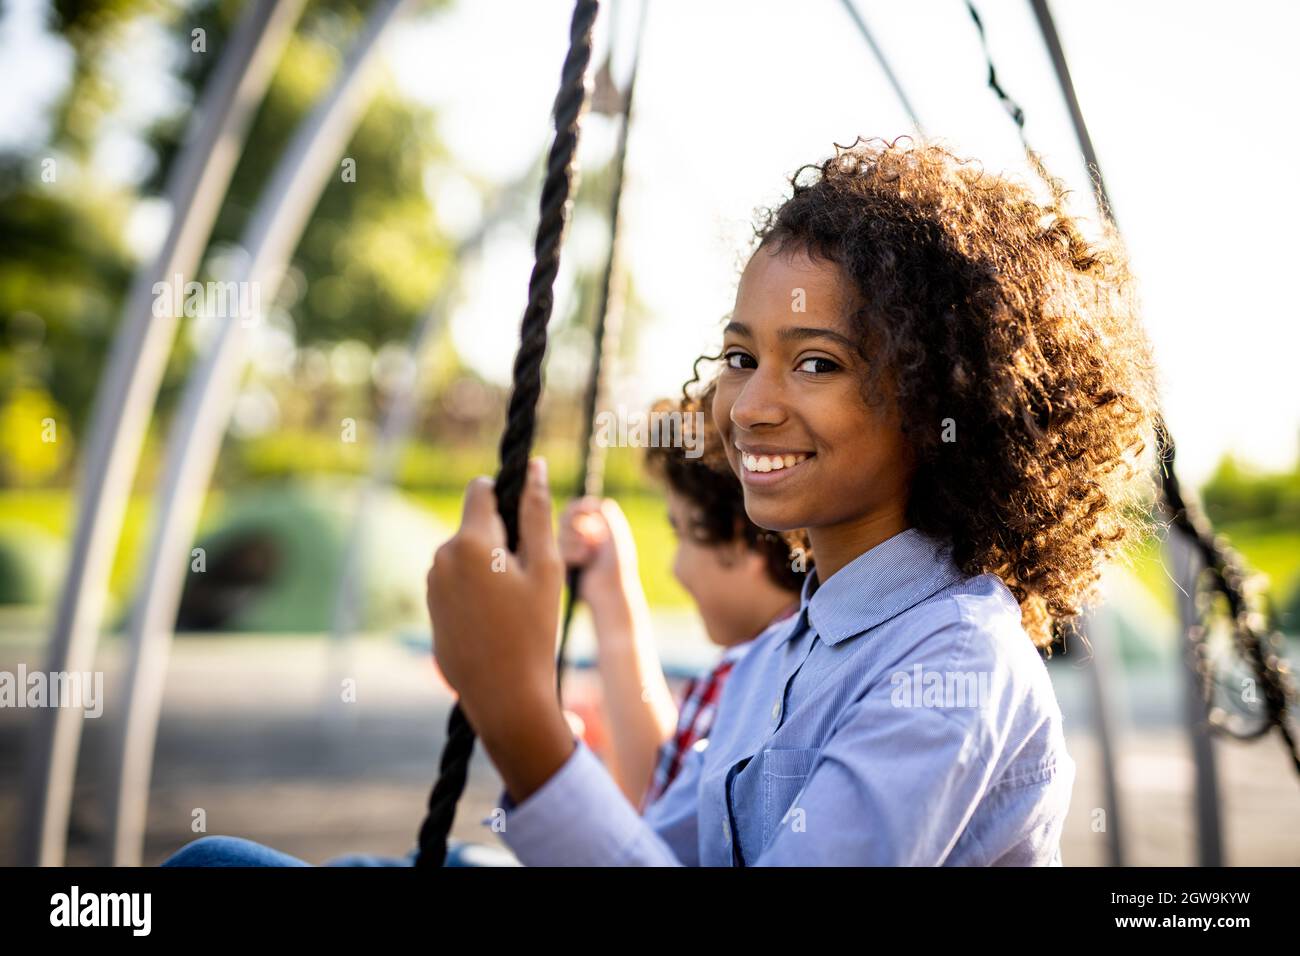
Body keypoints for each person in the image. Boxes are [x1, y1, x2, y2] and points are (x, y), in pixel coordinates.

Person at [424, 136, 1161, 865]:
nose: (748, 408)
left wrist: (521, 719)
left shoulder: (957, 660)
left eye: (816, 363)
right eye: (741, 358)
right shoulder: (768, 662)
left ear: (943, 401)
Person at [557, 398, 806, 809]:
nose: (675, 569)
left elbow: (654, 821)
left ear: (742, 539)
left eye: (681, 533)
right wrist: (610, 595)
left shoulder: (744, 675)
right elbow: (658, 791)